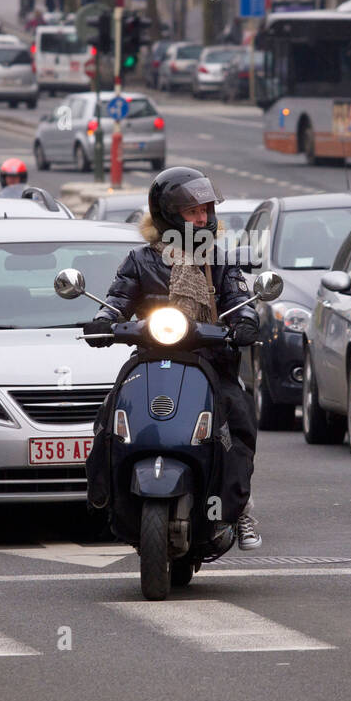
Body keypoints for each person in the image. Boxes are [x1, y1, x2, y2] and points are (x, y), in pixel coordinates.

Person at [85, 167, 263, 549]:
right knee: (108, 415)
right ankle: (104, 496)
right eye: (192, 212)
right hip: (151, 359)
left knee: (239, 417)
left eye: (206, 210)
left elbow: (237, 297)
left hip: (210, 362)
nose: (202, 219)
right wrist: (104, 322)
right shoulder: (139, 260)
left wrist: (247, 320)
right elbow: (117, 300)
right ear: (168, 214)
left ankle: (239, 508)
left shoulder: (219, 259)